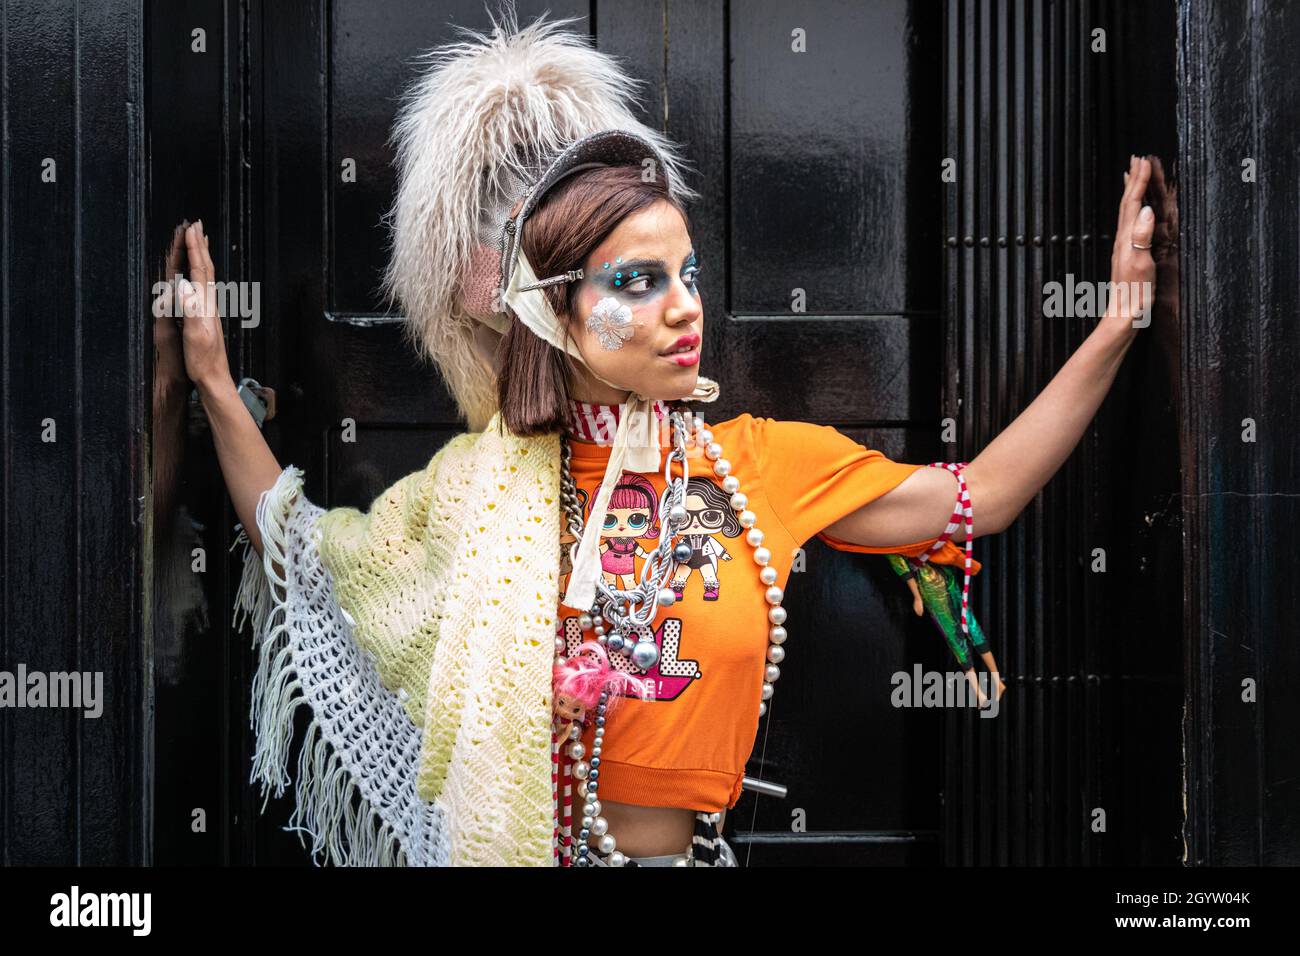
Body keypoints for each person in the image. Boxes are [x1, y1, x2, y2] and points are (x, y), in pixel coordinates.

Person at [172, 8, 1156, 867]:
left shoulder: (763, 463)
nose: (675, 306)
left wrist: (1112, 325)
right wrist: (214, 380)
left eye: (676, 275)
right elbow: (303, 549)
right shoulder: (474, 491)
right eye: (630, 281)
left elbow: (980, 493)